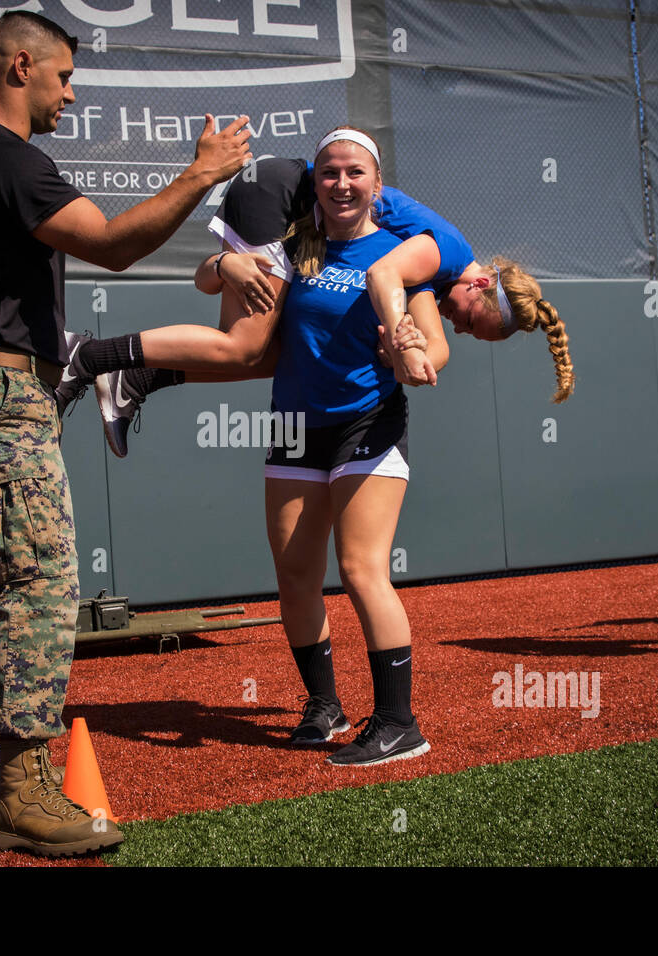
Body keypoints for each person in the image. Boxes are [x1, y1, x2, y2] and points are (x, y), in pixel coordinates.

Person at [0, 10, 251, 856]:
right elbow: (112, 245)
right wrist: (200, 175)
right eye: (65, 77)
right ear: (21, 67)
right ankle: (22, 793)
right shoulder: (10, 158)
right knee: (37, 585)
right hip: (3, 397)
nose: (72, 94)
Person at [58, 156, 574, 456]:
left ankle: (139, 378)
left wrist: (422, 358)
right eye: (468, 318)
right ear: (481, 281)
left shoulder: (440, 281)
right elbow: (383, 273)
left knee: (274, 355)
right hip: (278, 195)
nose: (458, 325)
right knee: (243, 345)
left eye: (466, 330)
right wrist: (400, 338)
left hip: (294, 217)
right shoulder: (449, 253)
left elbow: (433, 342)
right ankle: (87, 356)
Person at [258, 127, 445, 764]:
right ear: (316, 182)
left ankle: (399, 722)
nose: (342, 183)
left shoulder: (399, 255)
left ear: (376, 184)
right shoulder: (296, 247)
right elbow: (210, 274)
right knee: (295, 575)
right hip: (292, 426)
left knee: (362, 569)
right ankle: (324, 705)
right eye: (330, 172)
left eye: (354, 173)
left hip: (367, 422)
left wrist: (412, 351)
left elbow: (434, 345)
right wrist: (228, 261)